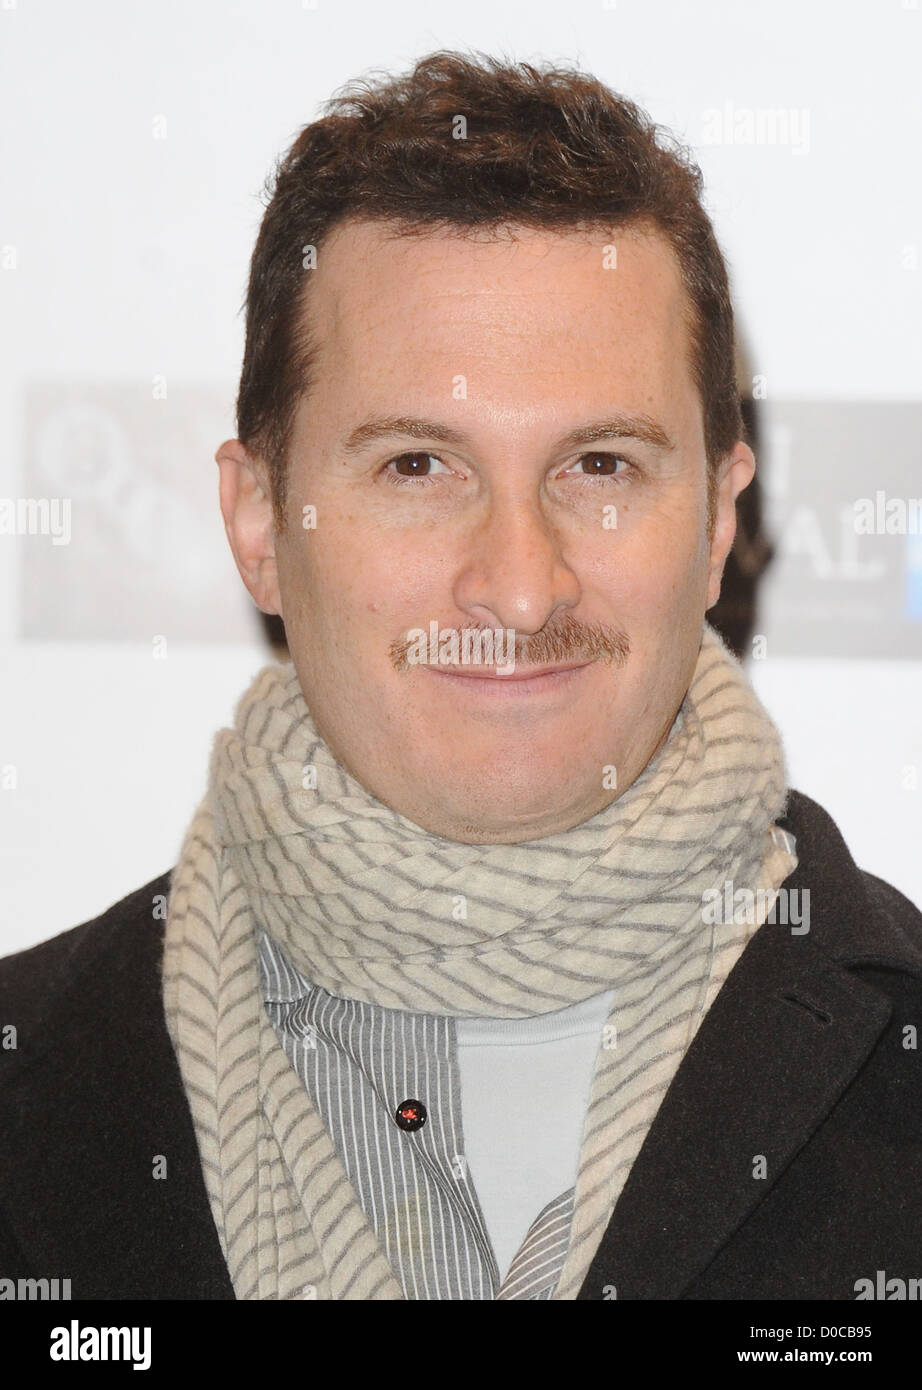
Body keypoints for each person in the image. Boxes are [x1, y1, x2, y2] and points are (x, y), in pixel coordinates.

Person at [1, 51, 920, 1303]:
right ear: (259, 518)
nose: (521, 585)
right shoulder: (30, 1087)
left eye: (598, 464)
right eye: (418, 467)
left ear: (714, 524)